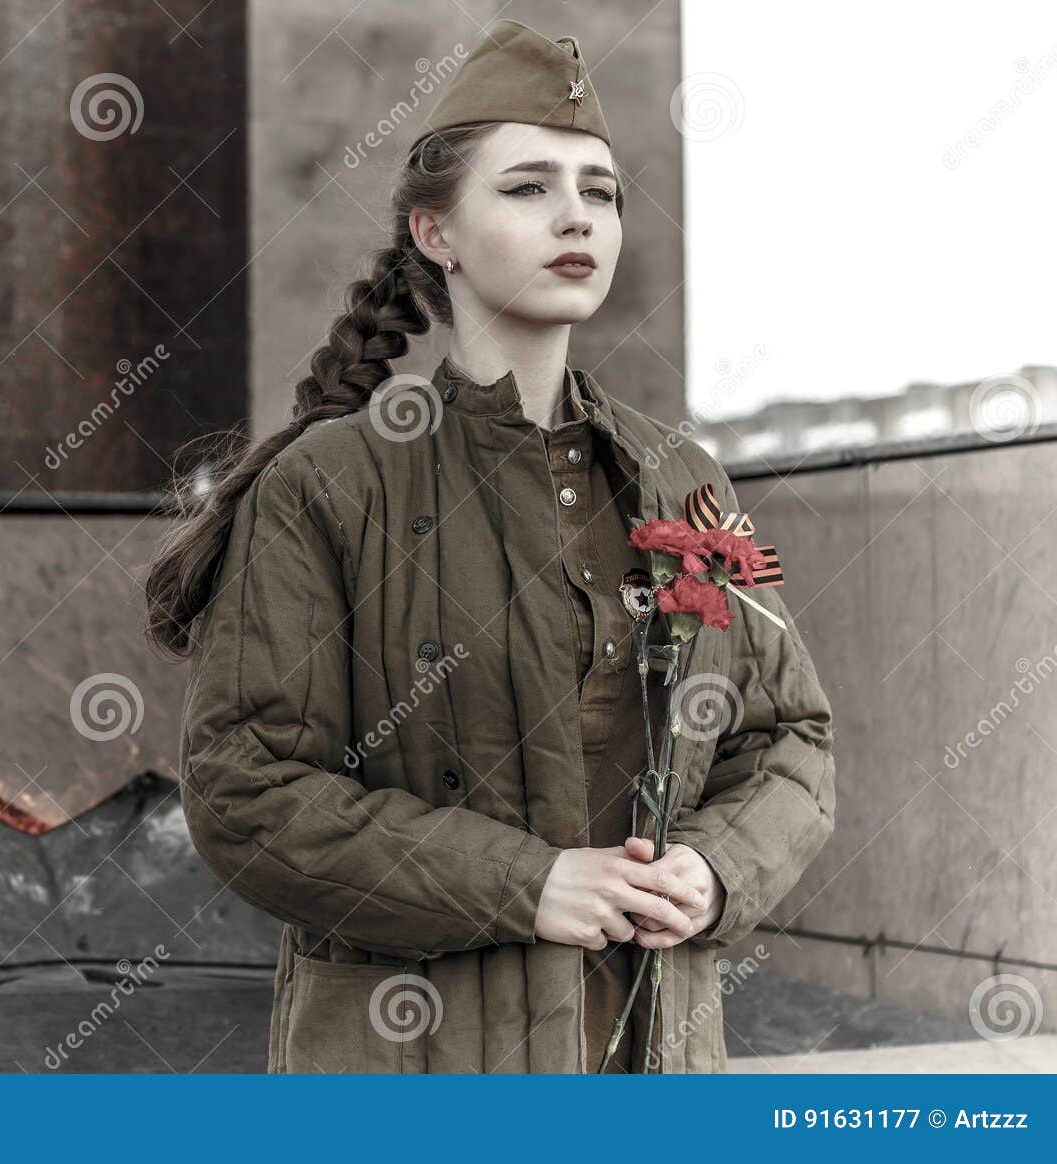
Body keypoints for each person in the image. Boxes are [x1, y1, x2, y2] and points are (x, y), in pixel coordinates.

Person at [143, 18, 835, 1073]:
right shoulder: (331, 484)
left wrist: (716, 869)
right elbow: (246, 789)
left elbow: (788, 738)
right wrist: (529, 882)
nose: (576, 216)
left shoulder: (684, 480)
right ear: (436, 234)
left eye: (597, 190)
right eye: (527, 188)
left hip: (656, 1046)